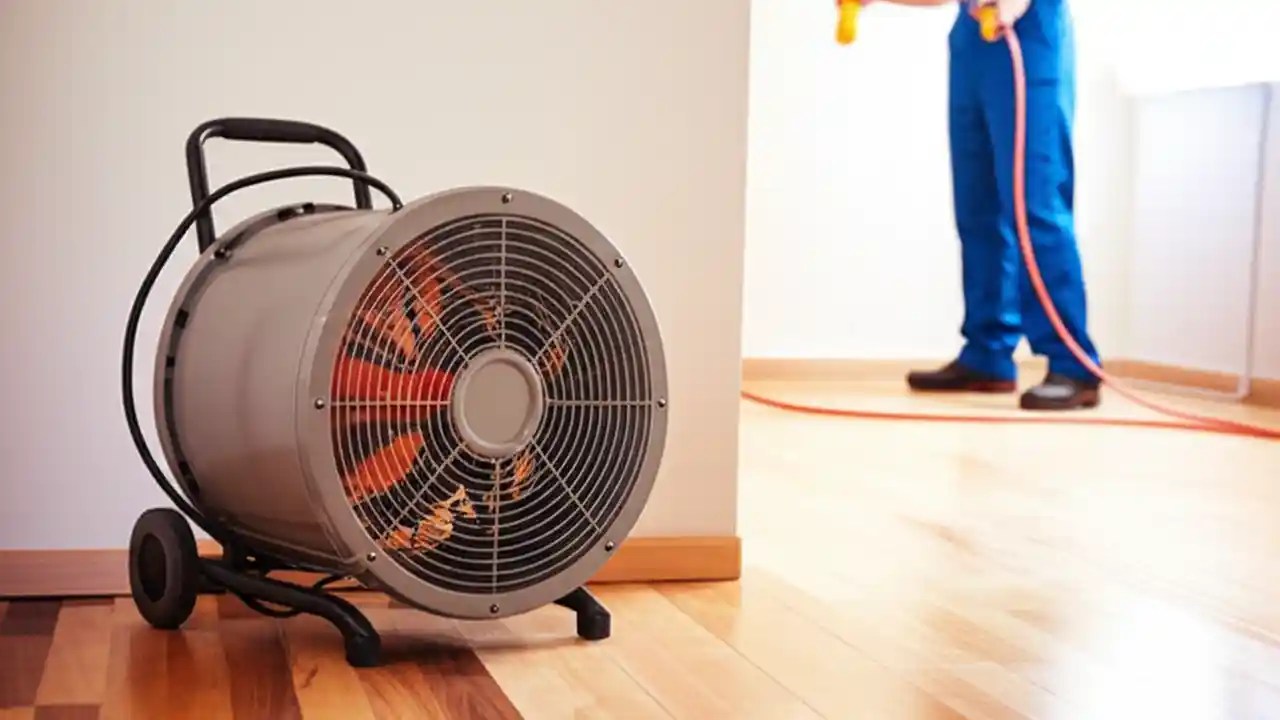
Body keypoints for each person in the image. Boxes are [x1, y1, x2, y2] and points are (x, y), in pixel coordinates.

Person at [858, 0, 1103, 410]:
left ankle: (1073, 364)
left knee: (1034, 206)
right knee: (978, 208)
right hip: (973, 36)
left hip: (1027, 29)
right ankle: (987, 355)